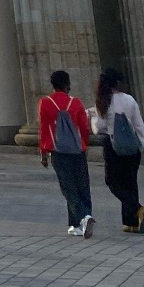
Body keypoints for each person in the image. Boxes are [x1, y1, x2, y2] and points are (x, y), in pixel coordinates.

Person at [90, 68, 144, 233]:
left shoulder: (103, 101)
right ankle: (131, 222)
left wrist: (93, 120)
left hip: (113, 146)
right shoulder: (129, 99)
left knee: (112, 182)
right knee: (130, 182)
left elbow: (100, 128)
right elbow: (139, 124)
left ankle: (138, 209)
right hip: (132, 146)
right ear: (118, 82)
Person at [37, 70, 96, 237]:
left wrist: (43, 152)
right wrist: (85, 145)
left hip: (58, 151)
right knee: (82, 185)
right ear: (67, 84)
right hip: (77, 150)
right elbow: (84, 128)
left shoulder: (45, 103)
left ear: (53, 85)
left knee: (68, 187)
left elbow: (44, 129)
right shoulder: (76, 102)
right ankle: (76, 223)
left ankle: (83, 217)